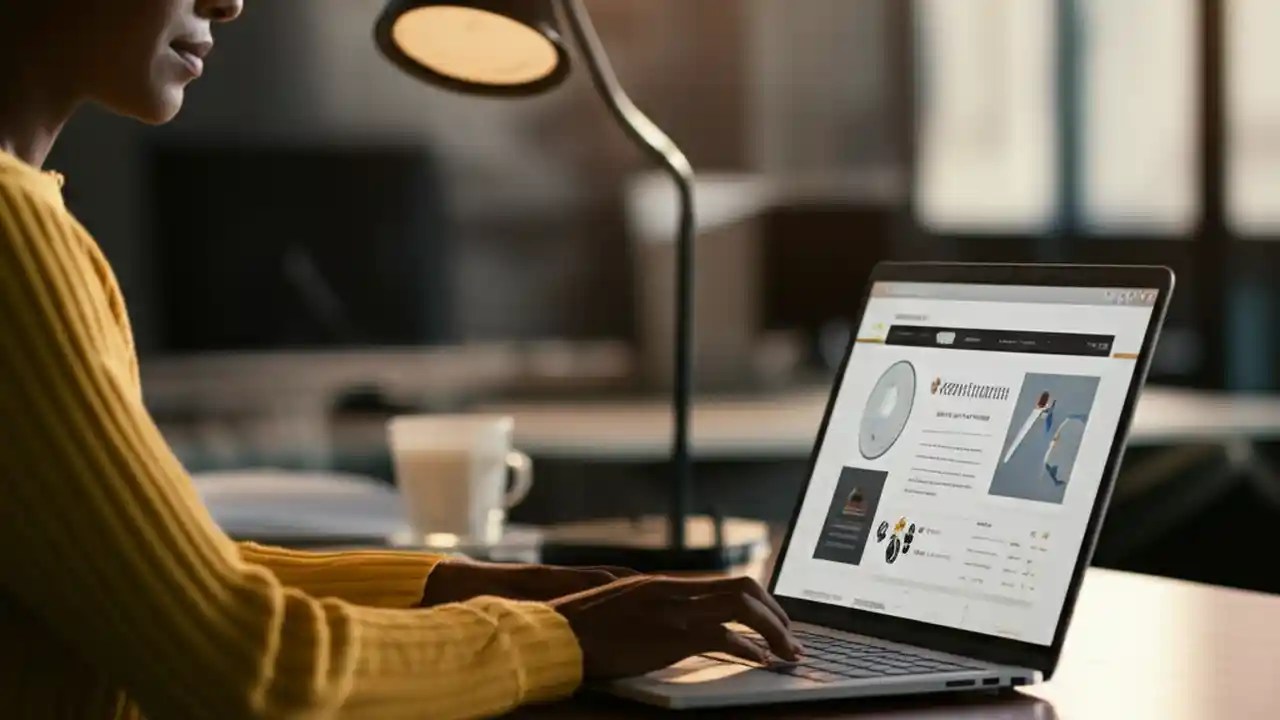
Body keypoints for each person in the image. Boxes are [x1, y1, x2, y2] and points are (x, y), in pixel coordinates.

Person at [0, 1, 800, 718]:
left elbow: (148, 585)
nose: (229, 3)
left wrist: (457, 582)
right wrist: (560, 638)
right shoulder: (14, 233)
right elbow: (247, 661)